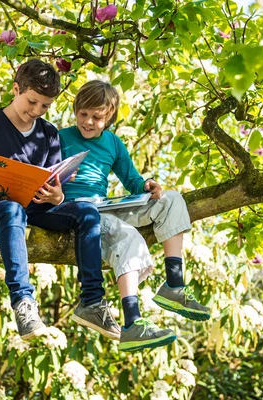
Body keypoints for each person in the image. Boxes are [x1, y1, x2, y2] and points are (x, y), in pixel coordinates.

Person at [0, 60, 120, 341]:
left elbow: (55, 184)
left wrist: (57, 195)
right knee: (11, 209)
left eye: (44, 106)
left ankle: (92, 302)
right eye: (32, 102)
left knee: (87, 213)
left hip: (33, 208)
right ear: (16, 89)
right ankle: (23, 303)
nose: (36, 111)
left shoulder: (48, 133)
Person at [59, 80, 211, 352]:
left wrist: (147, 185)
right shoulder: (60, 137)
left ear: (109, 118)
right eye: (83, 114)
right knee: (129, 237)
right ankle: (132, 322)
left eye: (97, 117)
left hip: (104, 204)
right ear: (75, 109)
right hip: (78, 211)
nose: (89, 122)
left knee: (171, 199)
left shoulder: (113, 143)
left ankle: (174, 285)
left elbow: (131, 179)